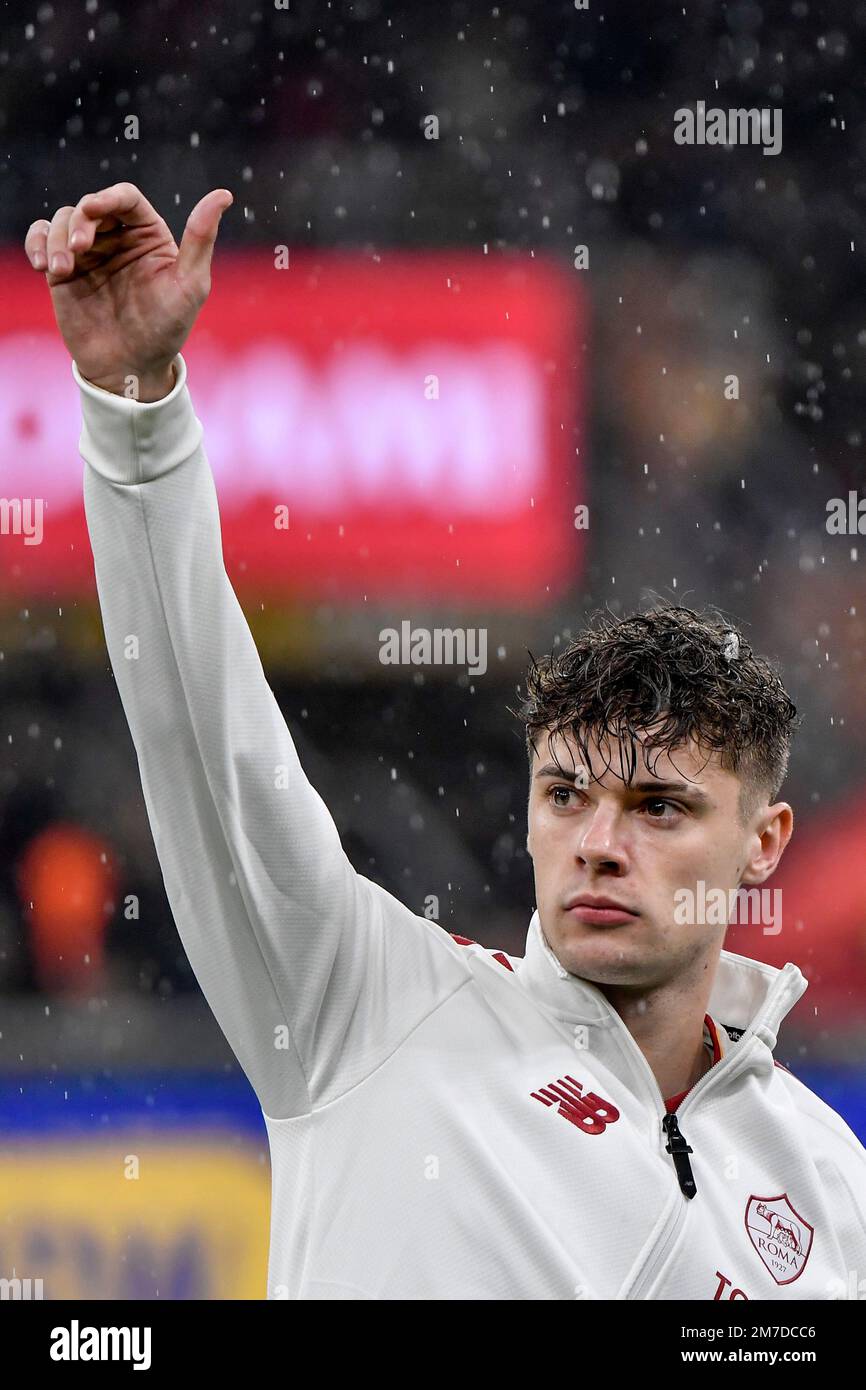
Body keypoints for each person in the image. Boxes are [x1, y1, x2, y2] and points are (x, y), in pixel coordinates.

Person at [26, 183, 866, 1300]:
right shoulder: (365, 1002)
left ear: (761, 843)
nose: (599, 842)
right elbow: (196, 726)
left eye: (658, 807)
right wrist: (135, 412)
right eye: (566, 795)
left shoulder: (829, 1182)